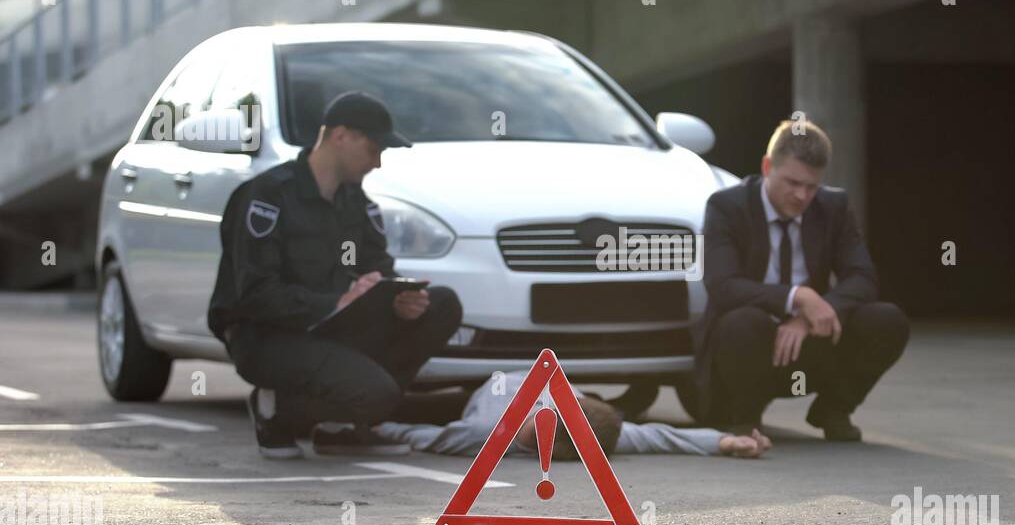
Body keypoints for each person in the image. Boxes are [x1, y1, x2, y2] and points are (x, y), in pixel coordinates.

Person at [208, 91, 463, 458]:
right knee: (377, 393)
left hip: (331, 330)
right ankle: (277, 412)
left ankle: (342, 426)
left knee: (440, 305)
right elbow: (254, 293)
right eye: (373, 149)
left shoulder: (355, 202)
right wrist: (336, 302)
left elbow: (378, 268)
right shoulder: (267, 197)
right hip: (267, 336)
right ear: (341, 136)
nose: (376, 163)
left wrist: (399, 298)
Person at [691, 118, 909, 442]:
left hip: (808, 346)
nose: (801, 195)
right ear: (767, 167)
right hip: (747, 350)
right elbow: (722, 286)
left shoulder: (832, 206)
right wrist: (797, 297)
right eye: (792, 182)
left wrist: (810, 315)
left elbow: (862, 276)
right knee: (743, 322)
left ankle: (833, 410)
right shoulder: (727, 206)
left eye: (811, 186)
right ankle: (745, 420)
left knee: (888, 320)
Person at [375, 371, 772, 459]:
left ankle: (624, 402)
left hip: (471, 398)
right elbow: (662, 435)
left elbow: (424, 435)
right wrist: (723, 438)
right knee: (621, 416)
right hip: (508, 377)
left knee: (403, 402)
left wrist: (373, 427)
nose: (528, 430)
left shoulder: (484, 433)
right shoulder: (571, 408)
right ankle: (622, 401)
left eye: (532, 436)